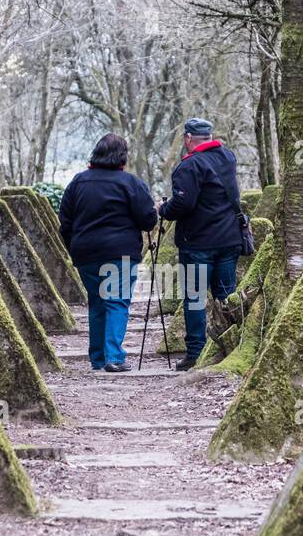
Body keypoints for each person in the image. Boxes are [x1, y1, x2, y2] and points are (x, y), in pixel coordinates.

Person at [58, 133, 158, 372]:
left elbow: (65, 222)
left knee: (97, 303)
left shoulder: (78, 182)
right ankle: (114, 357)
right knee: (116, 302)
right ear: (122, 157)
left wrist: (74, 247)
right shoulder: (131, 184)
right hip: (120, 252)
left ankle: (98, 358)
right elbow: (147, 220)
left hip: (86, 253)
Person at [158, 118, 242, 371]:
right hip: (228, 239)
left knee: (194, 298)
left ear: (187, 138)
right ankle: (230, 346)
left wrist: (163, 208)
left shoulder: (189, 166)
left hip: (197, 243)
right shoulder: (227, 158)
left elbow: (183, 204)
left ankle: (195, 352)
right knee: (225, 295)